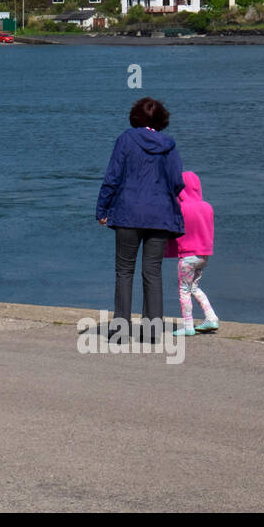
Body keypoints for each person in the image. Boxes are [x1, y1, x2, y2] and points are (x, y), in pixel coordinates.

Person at [94, 97, 185, 343]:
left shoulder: (126, 139)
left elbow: (112, 177)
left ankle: (121, 329)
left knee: (124, 271)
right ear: (161, 119)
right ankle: (153, 330)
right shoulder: (169, 144)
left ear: (135, 117)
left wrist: (102, 209)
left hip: (128, 213)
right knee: (152, 272)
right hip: (160, 215)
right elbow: (178, 181)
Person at [165, 171, 217, 336]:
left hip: (188, 257)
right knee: (194, 287)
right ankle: (211, 317)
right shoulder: (207, 207)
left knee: (184, 289)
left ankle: (188, 326)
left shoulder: (181, 208)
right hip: (203, 256)